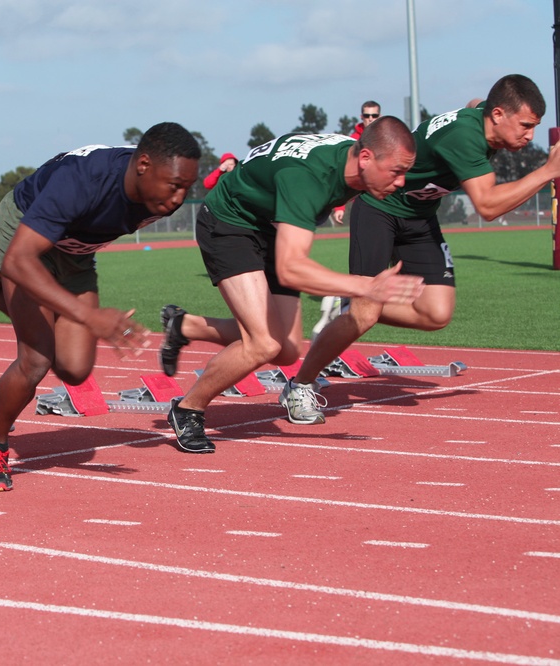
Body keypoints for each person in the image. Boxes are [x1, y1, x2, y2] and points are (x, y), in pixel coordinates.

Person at [282, 74, 560, 426]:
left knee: (436, 313)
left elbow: (475, 102)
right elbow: (488, 205)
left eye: (535, 127)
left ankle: (352, 302)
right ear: (499, 114)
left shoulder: (483, 118)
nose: (530, 135)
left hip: (419, 219)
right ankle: (300, 384)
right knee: (364, 315)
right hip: (380, 208)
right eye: (525, 125)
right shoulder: (465, 137)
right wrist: (549, 171)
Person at [0, 122, 201, 491]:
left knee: (75, 369)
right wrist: (88, 315)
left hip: (75, 253)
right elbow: (21, 260)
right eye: (174, 185)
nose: (178, 199)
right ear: (143, 165)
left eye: (187, 189)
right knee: (36, 361)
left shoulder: (157, 197)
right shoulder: (83, 179)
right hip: (24, 237)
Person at [160, 118, 424, 453]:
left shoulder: (352, 161)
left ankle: (184, 325)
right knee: (263, 345)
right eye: (396, 172)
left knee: (286, 350)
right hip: (230, 223)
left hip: (269, 226)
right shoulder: (308, 178)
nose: (400, 183)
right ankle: (188, 409)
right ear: (366, 158)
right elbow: (291, 269)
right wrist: (363, 286)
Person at [315, 100, 385, 338]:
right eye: (367, 115)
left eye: (374, 115)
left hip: (388, 206)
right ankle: (344, 298)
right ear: (361, 116)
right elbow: (342, 176)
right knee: (365, 271)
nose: (370, 119)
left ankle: (345, 298)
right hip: (365, 205)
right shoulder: (354, 142)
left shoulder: (387, 138)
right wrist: (339, 206)